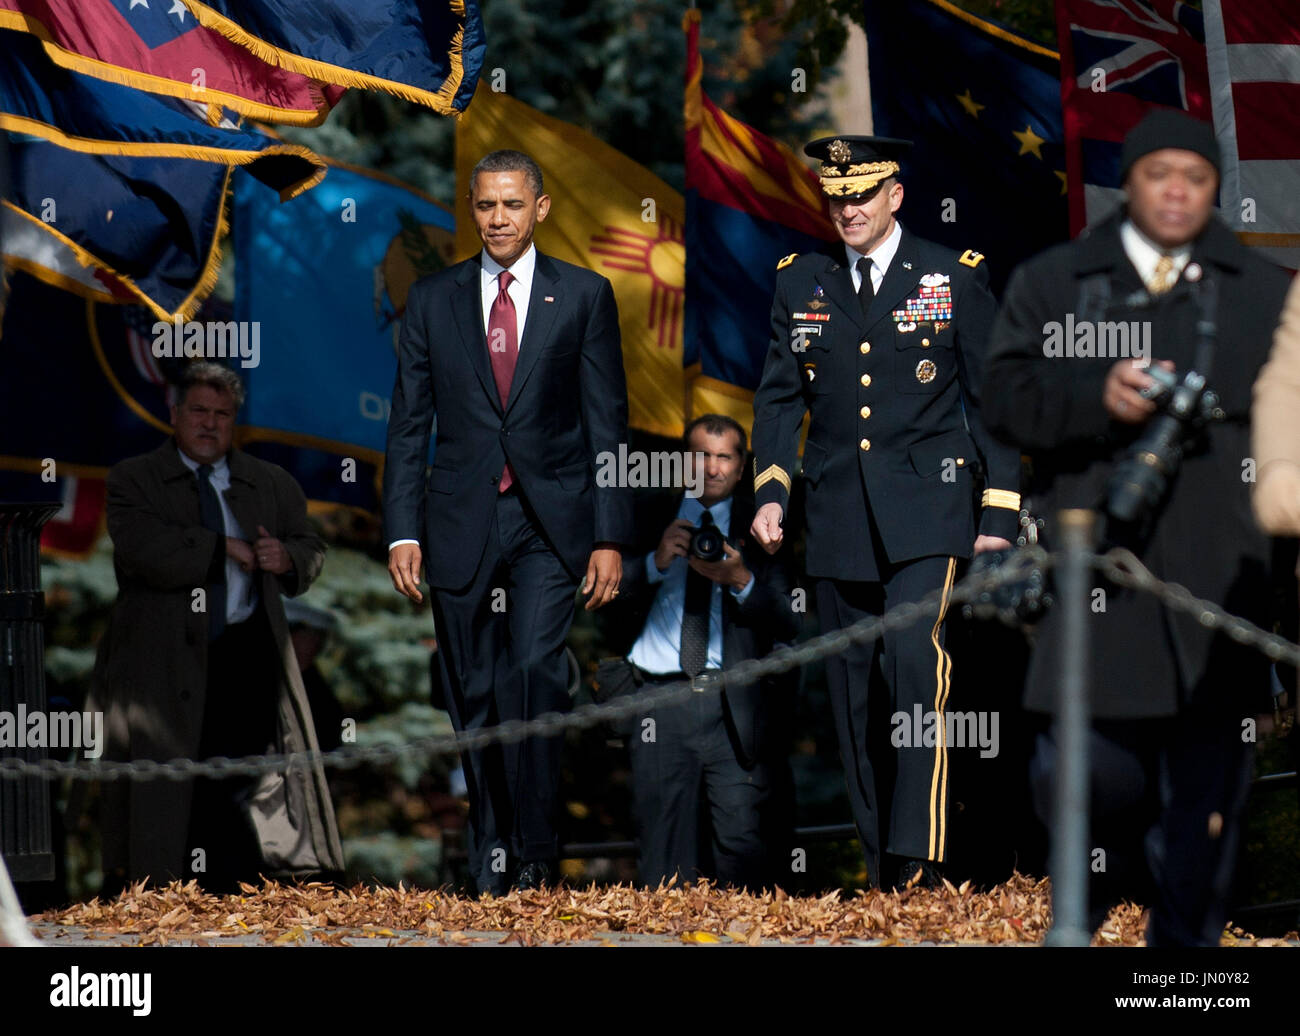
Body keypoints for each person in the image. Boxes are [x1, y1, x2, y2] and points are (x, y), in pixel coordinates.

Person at [982, 109, 1293, 945]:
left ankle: (1180, 980)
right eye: (1161, 175)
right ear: (1132, 183)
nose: (1179, 192)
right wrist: (1095, 399)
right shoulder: (1058, 282)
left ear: (1216, 189)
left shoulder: (1266, 294)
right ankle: (1075, 931)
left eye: (1196, 177)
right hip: (1096, 594)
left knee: (1200, 824)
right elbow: (1003, 400)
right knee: (1081, 787)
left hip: (1221, 592)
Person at [749, 136, 1021, 890]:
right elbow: (777, 399)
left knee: (914, 666)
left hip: (930, 513)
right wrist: (771, 491)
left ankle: (921, 861)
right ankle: (882, 875)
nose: (847, 210)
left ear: (894, 195)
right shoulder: (798, 280)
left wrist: (999, 508)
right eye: (836, 197)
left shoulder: (952, 274)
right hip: (837, 515)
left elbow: (993, 397)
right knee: (852, 697)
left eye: (861, 195)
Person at [384, 149, 632, 895]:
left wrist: (611, 535)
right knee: (475, 692)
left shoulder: (583, 296)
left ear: (541, 209)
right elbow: (407, 426)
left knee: (532, 671)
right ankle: (492, 853)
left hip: (550, 525)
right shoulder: (432, 300)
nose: (498, 219)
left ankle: (535, 853)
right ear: (473, 208)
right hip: (460, 521)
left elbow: (607, 426)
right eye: (486, 206)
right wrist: (403, 529)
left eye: (512, 205)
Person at [91, 362, 342, 893]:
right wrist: (217, 547)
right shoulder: (135, 478)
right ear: (175, 413)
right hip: (162, 661)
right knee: (169, 782)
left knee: (237, 780)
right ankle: (159, 889)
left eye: (223, 414)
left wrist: (286, 556)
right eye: (200, 412)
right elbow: (141, 550)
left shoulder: (270, 482)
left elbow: (311, 548)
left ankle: (234, 890)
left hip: (244, 655)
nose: (210, 425)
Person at [609, 414, 799, 889]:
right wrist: (654, 563)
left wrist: (742, 580)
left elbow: (790, 618)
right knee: (662, 846)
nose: (712, 469)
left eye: (725, 457)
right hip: (657, 701)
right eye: (702, 456)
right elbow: (603, 597)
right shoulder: (649, 513)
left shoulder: (763, 527)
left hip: (730, 704)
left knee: (740, 842)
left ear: (741, 467)